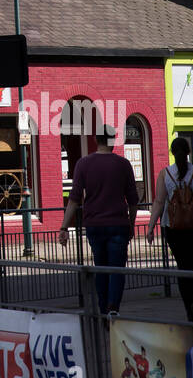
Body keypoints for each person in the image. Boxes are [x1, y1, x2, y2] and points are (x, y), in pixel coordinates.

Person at [58, 124, 138, 317]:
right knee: (117, 269)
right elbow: (133, 200)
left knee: (100, 268)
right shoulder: (123, 164)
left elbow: (75, 199)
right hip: (118, 224)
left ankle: (103, 310)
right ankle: (113, 308)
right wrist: (131, 224)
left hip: (94, 225)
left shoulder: (83, 164)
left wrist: (64, 227)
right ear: (112, 140)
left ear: (95, 139)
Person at [146, 135, 193, 323]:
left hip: (174, 230)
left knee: (183, 269)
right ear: (189, 153)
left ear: (172, 153)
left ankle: (190, 310)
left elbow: (159, 202)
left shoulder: (165, 174)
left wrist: (150, 226)